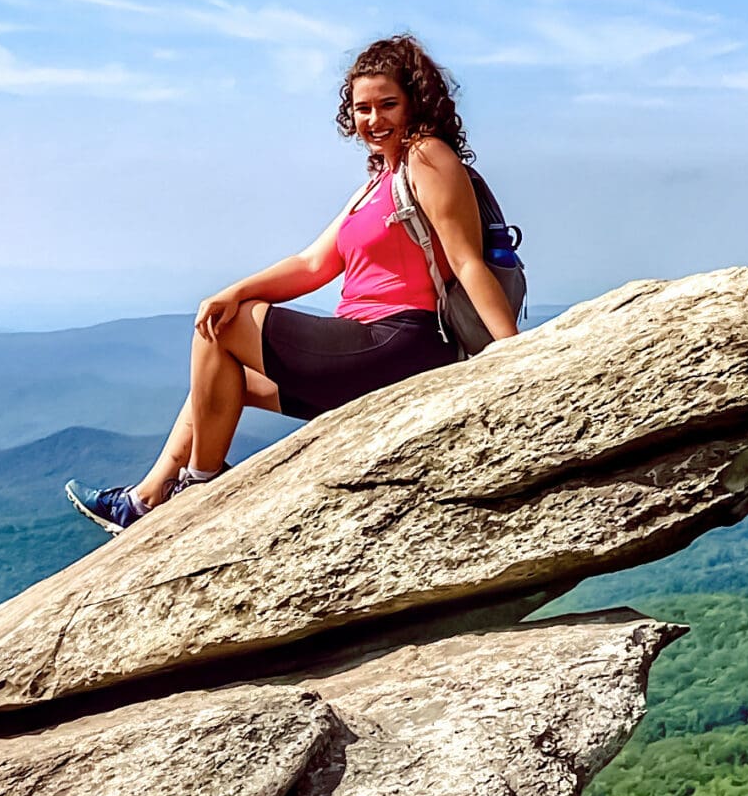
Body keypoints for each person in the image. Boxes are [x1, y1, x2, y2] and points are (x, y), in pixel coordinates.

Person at [65, 34, 518, 533]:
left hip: (399, 342)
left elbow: (465, 260)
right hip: (365, 348)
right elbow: (312, 264)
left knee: (223, 327)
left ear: (416, 100)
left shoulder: (427, 158)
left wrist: (511, 353)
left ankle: (199, 486)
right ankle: (146, 498)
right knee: (221, 375)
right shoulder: (378, 183)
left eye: (388, 104)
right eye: (362, 108)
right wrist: (234, 291)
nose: (374, 119)